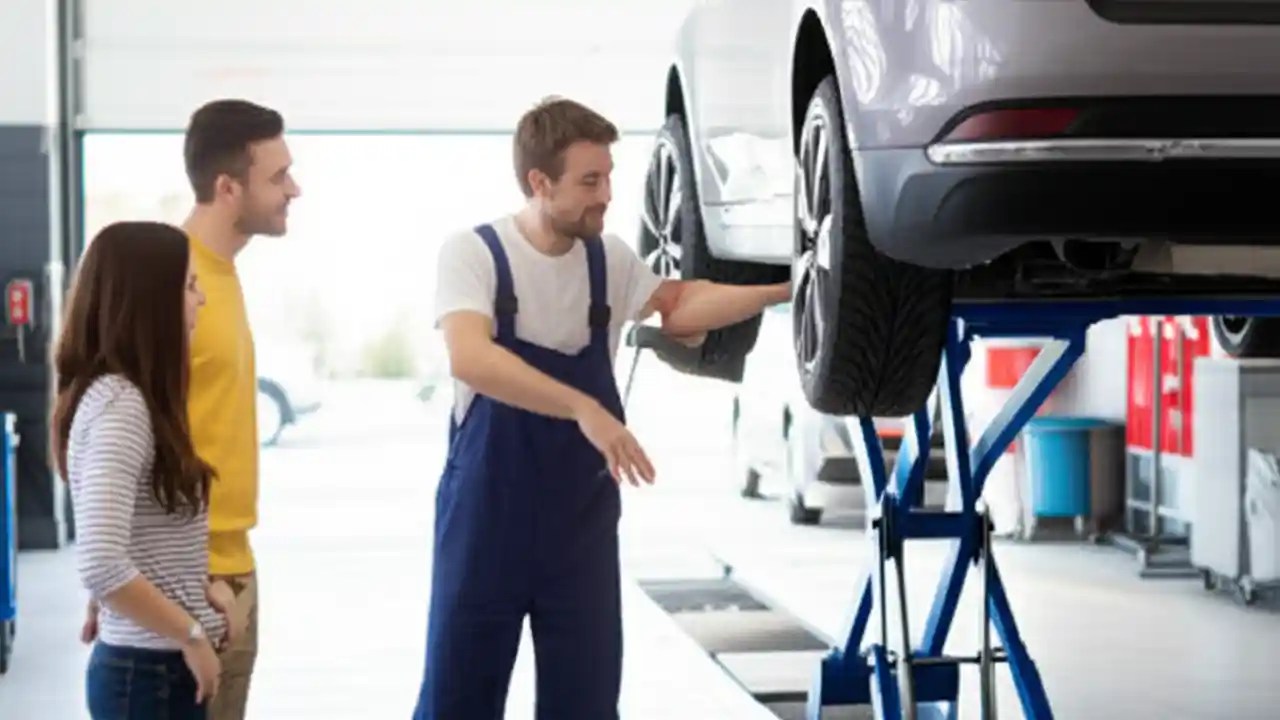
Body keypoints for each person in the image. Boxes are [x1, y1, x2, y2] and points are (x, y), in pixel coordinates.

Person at [413, 96, 791, 719]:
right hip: (486, 525)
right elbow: (470, 358)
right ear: (540, 182)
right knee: (459, 699)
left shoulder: (606, 259)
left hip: (577, 532)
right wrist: (584, 409)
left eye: (608, 176)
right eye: (590, 180)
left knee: (585, 705)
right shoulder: (475, 254)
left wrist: (785, 289)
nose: (607, 193)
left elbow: (679, 305)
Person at [55, 221, 245, 718]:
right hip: (149, 678)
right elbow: (101, 561)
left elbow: (137, 539)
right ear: (149, 303)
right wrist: (192, 634)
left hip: (151, 670)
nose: (200, 300)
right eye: (188, 286)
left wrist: (200, 589)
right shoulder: (122, 406)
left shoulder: (125, 399)